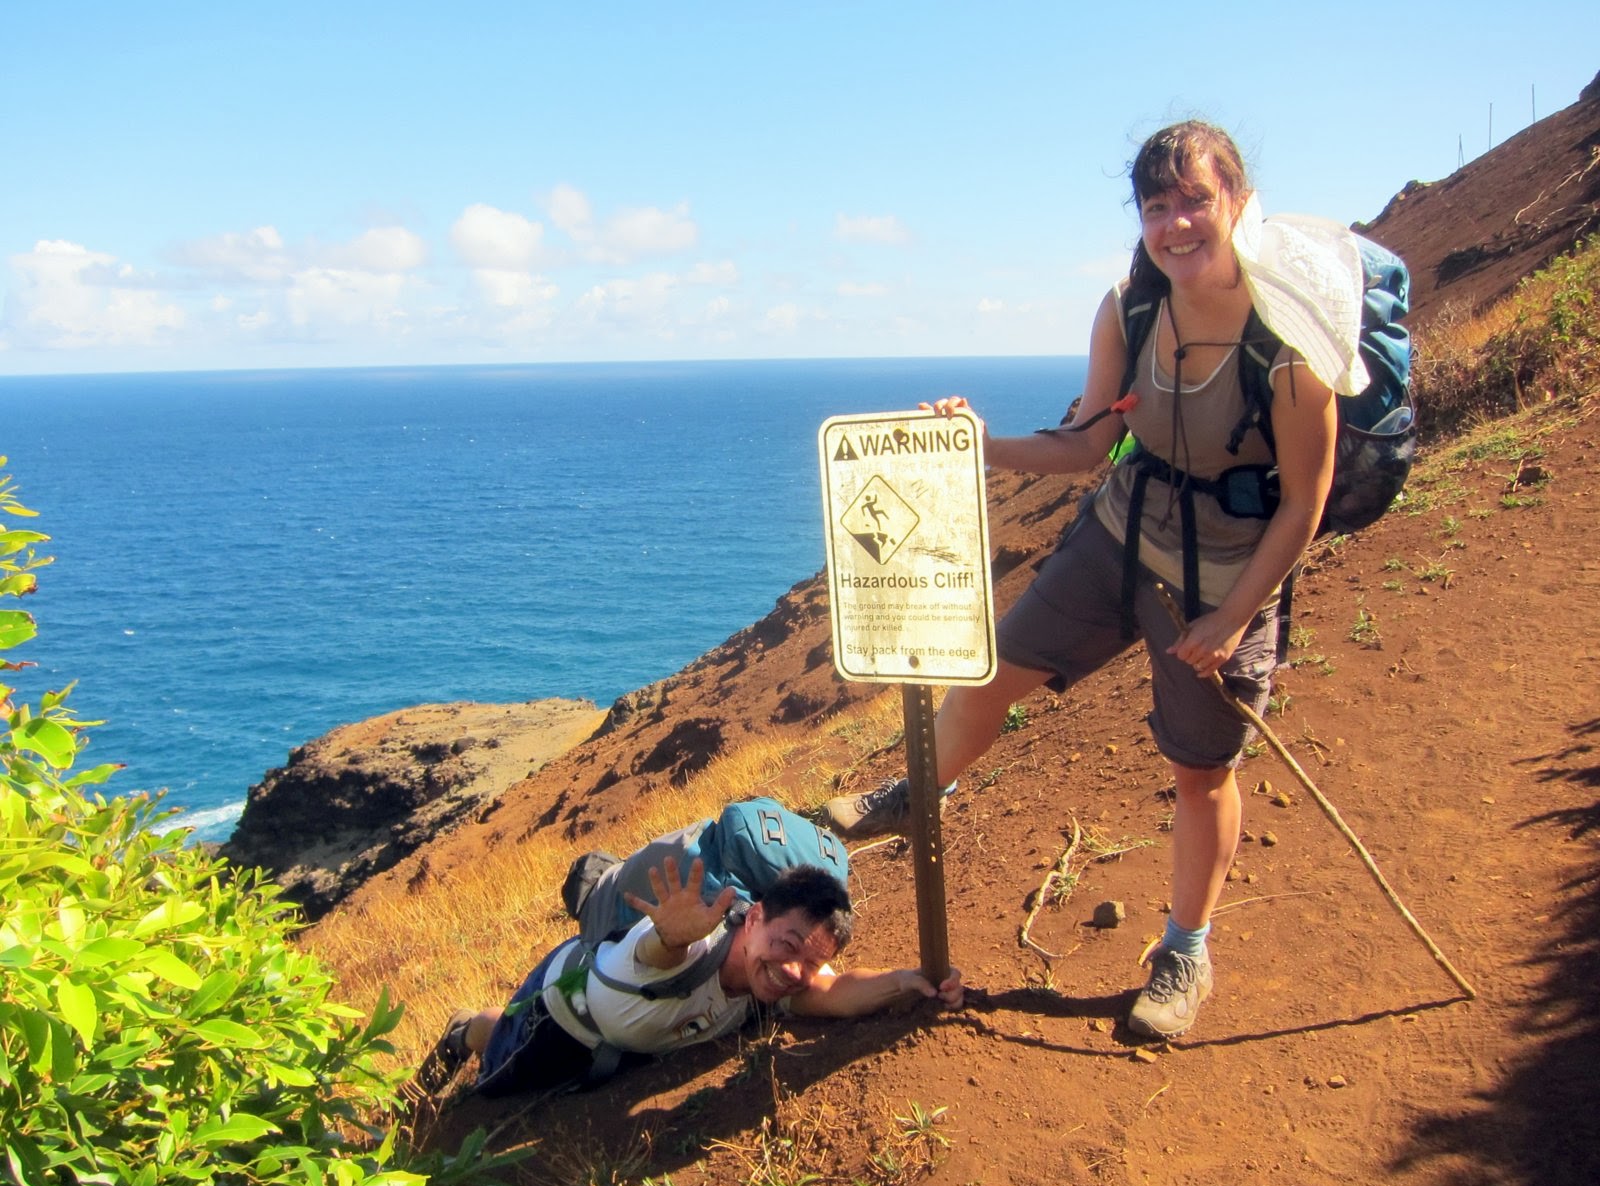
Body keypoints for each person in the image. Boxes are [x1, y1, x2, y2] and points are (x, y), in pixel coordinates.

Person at [827, 120, 1351, 1040]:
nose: (1177, 223)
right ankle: (915, 795)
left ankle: (1185, 947)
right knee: (992, 677)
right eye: (1158, 207)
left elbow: (1304, 505)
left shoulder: (1290, 339)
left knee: (1198, 771)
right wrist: (976, 442)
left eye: (1196, 199)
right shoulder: (1130, 310)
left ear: (1237, 199)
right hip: (1119, 532)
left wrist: (1231, 619)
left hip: (1229, 570)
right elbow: (1086, 445)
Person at [420, 859, 964, 1098]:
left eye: (813, 961)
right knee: (497, 1080)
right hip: (564, 1019)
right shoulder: (694, 943)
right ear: (754, 920)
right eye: (787, 945)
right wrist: (673, 934)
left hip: (635, 1041)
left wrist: (909, 981)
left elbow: (837, 991)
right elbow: (658, 954)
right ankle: (464, 1028)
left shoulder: (772, 987)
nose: (794, 970)